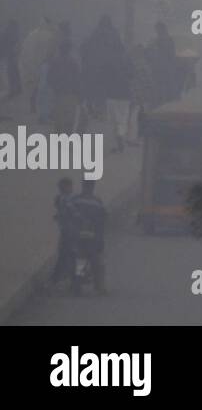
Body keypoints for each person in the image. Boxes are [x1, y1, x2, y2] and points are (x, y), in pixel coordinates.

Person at [80, 16, 133, 151]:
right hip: (120, 90)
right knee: (120, 116)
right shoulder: (119, 47)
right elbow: (132, 74)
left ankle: (84, 129)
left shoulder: (95, 35)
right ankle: (120, 135)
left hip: (100, 82)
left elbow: (85, 51)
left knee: (105, 114)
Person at [68, 179, 107, 295]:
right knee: (96, 262)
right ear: (92, 187)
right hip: (92, 237)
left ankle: (77, 286)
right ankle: (99, 286)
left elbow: (70, 217)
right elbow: (102, 221)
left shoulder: (75, 200)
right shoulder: (97, 202)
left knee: (81, 260)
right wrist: (100, 238)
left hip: (79, 236)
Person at [20, 18, 58, 114]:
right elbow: (51, 51)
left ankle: (34, 106)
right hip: (45, 64)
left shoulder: (32, 34)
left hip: (34, 64)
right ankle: (44, 109)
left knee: (35, 86)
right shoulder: (50, 35)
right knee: (44, 88)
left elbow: (26, 50)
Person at [46, 39, 82, 132]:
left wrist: (54, 88)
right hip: (71, 94)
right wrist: (79, 95)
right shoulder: (73, 63)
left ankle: (58, 138)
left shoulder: (54, 62)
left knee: (58, 119)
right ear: (69, 50)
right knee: (69, 119)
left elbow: (49, 78)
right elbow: (78, 80)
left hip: (58, 94)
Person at [48, 178, 77, 289]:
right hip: (69, 231)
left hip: (68, 231)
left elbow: (70, 211)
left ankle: (57, 278)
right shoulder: (66, 198)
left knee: (65, 254)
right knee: (69, 254)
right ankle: (73, 278)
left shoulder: (65, 199)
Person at [147, 22, 179, 106]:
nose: (157, 32)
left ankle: (163, 103)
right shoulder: (163, 40)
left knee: (163, 88)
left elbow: (168, 55)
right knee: (163, 88)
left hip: (163, 69)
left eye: (157, 30)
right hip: (163, 69)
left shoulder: (162, 41)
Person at [1, 19, 21, 100]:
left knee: (11, 73)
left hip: (9, 56)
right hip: (11, 56)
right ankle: (17, 89)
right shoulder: (14, 34)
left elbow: (3, 45)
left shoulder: (7, 33)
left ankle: (13, 90)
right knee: (13, 72)